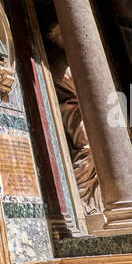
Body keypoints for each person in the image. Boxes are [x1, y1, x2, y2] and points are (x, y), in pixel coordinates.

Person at [46, 21, 103, 217]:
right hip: (69, 110)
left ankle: (90, 201)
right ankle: (80, 200)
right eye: (64, 35)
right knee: (88, 147)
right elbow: (78, 87)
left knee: (98, 151)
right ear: (56, 36)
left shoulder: (71, 58)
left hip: (83, 110)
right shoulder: (57, 60)